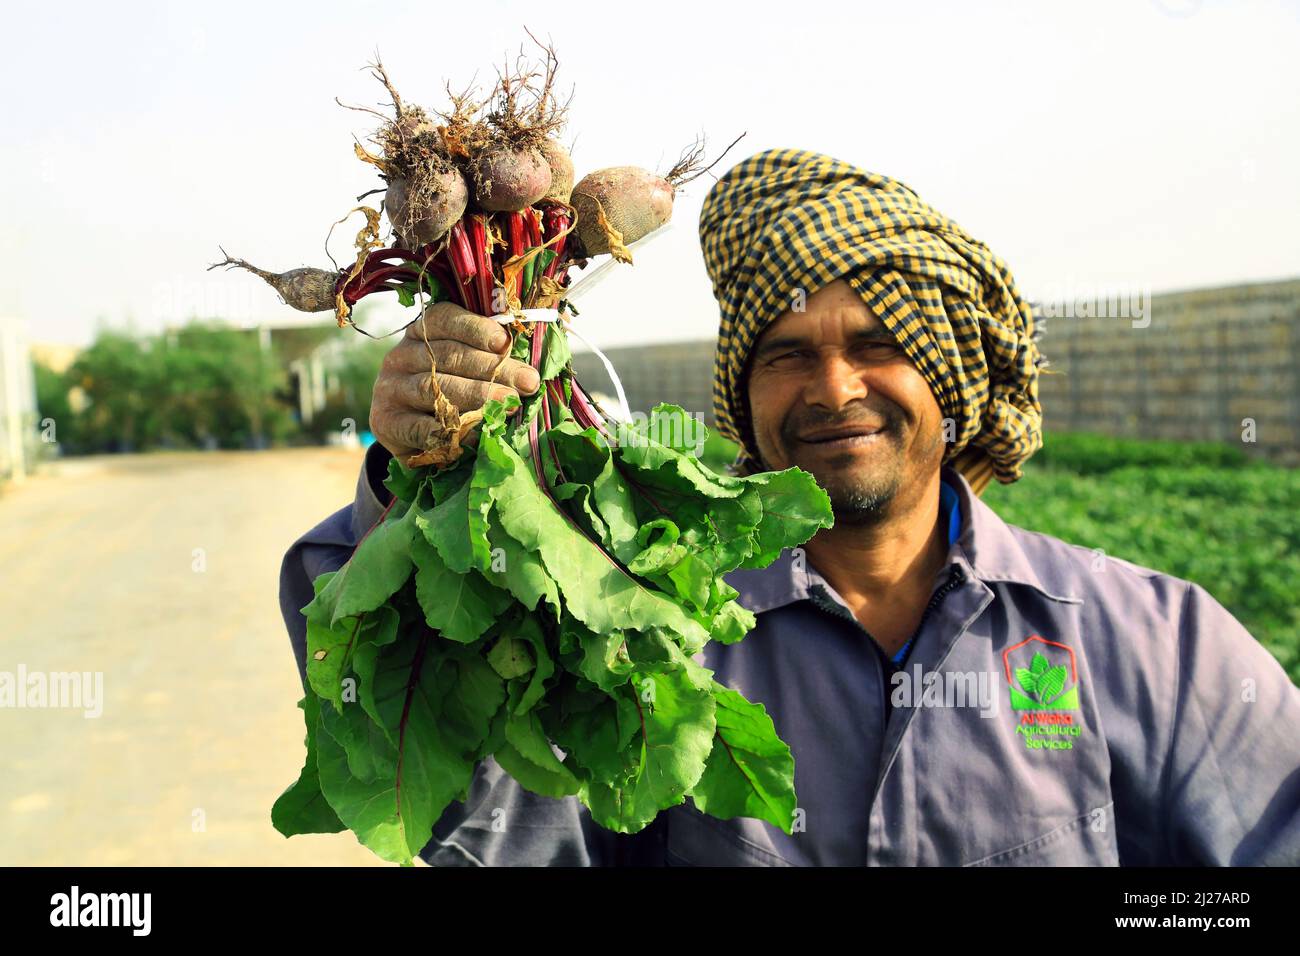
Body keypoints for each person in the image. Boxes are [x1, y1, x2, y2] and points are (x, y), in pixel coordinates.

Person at [279, 149, 1300, 865]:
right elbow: (493, 832)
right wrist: (424, 476)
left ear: (947, 373)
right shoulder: (650, 633)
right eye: (786, 355)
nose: (833, 387)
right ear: (742, 392)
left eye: (875, 343)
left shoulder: (1152, 644)